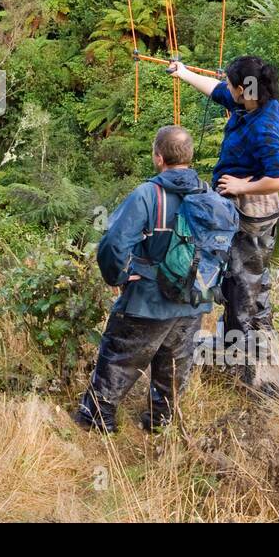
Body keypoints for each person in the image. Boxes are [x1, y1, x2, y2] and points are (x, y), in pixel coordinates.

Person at [73, 125, 211, 433]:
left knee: (120, 358)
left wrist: (118, 275)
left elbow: (114, 244)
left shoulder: (148, 194)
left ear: (159, 158)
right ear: (189, 156)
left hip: (148, 299)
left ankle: (97, 421)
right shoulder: (207, 193)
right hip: (192, 300)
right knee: (173, 369)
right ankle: (159, 426)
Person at [167, 55, 279, 393]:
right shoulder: (248, 102)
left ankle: (245, 366)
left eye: (232, 84)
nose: (228, 89)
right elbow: (217, 92)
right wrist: (184, 73)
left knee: (241, 284)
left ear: (244, 88)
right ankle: (248, 336)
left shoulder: (264, 125)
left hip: (251, 211)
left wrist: (241, 187)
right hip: (240, 208)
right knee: (249, 279)